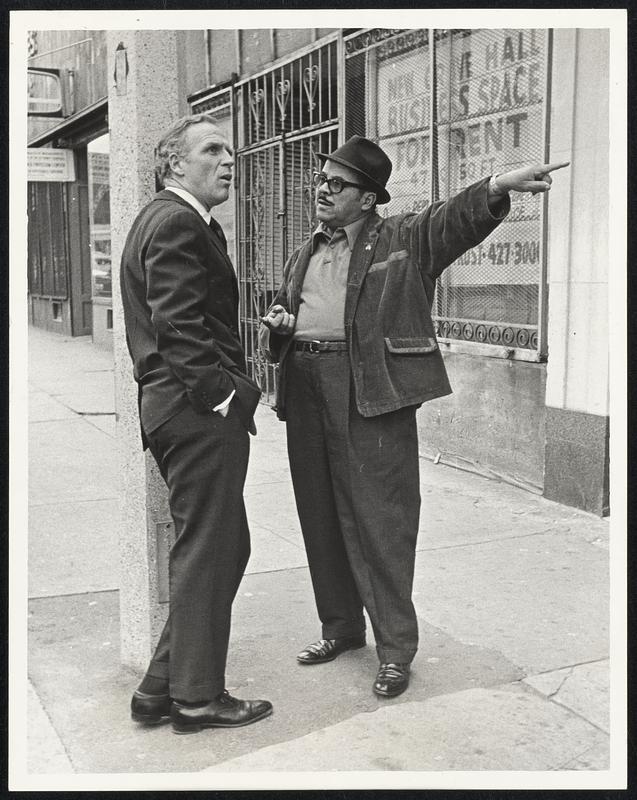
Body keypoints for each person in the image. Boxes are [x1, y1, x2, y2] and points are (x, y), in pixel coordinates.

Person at [260, 135, 568, 699]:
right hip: (305, 386)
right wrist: (283, 322)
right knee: (320, 511)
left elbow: (452, 220)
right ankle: (342, 628)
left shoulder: (402, 238)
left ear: (369, 198)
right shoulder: (307, 247)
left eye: (337, 184)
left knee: (382, 520)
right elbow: (298, 304)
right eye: (321, 181)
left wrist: (496, 187)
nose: (322, 190)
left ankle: (395, 650)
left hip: (370, 389)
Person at [120, 114, 272, 734]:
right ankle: (198, 697)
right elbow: (178, 323)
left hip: (175, 410)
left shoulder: (172, 220)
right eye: (212, 150)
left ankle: (160, 688)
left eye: (230, 150)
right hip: (193, 411)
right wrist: (225, 397)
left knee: (223, 544)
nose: (228, 160)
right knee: (210, 547)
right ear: (173, 164)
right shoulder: (178, 220)